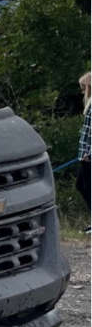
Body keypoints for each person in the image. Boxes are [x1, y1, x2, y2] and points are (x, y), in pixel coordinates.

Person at [78, 71, 90, 233]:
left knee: (84, 186)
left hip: (88, 156)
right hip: (85, 155)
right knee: (82, 185)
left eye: (83, 88)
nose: (82, 92)